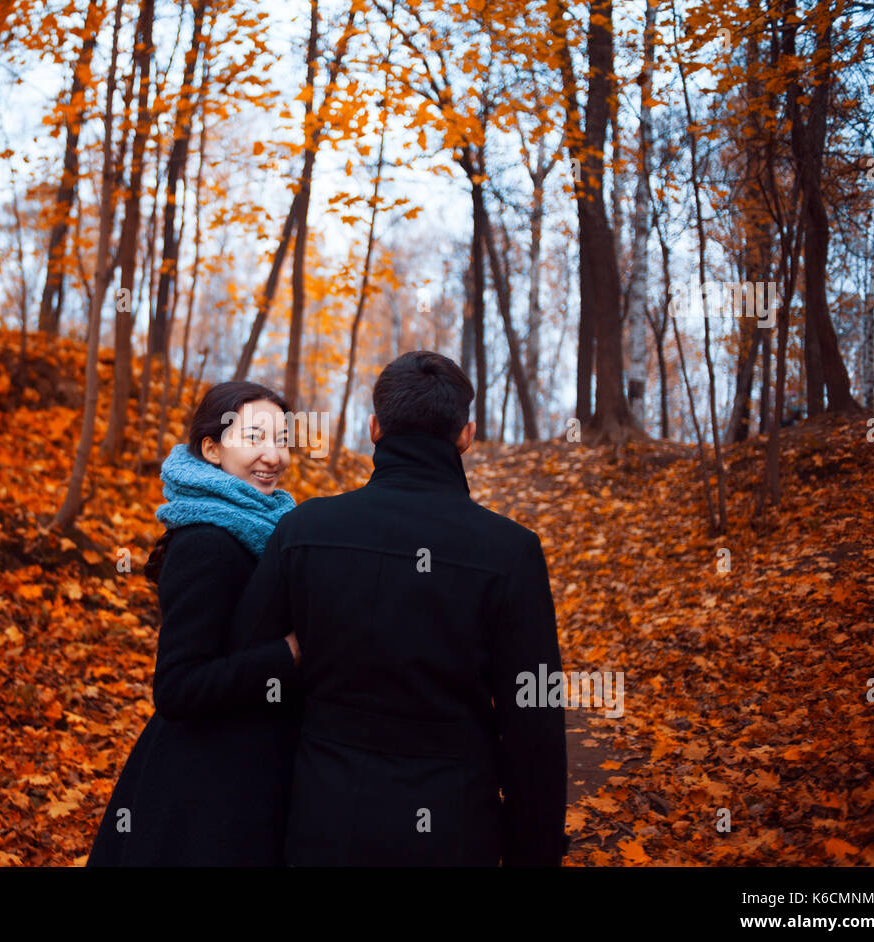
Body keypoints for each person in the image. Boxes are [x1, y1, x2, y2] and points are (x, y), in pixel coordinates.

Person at [240, 350, 567, 865]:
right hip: (454, 830)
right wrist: (536, 854)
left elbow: (250, 677)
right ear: (466, 435)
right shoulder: (511, 552)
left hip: (320, 822)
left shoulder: (303, 531)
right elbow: (535, 725)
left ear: (374, 428)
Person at [86, 382, 303, 866]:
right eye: (254, 437)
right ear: (212, 449)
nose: (274, 455)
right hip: (198, 793)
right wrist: (286, 656)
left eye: (283, 439)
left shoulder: (261, 529)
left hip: (237, 779)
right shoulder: (207, 541)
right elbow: (178, 686)